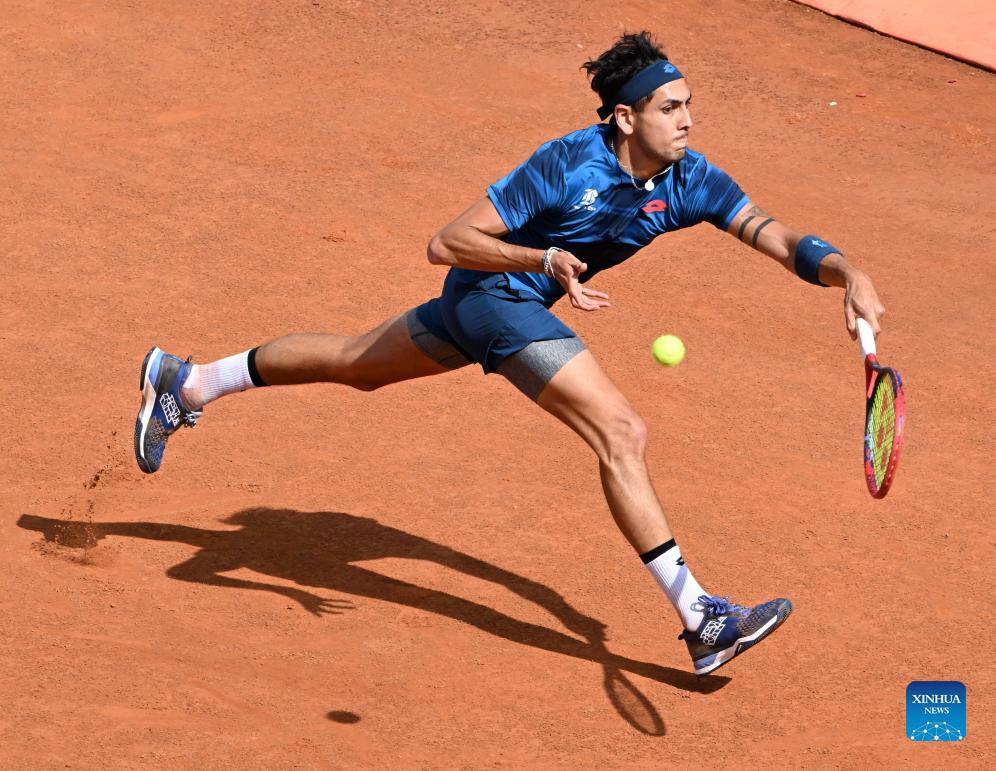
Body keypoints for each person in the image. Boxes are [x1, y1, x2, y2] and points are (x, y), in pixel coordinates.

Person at [134, 31, 885, 676]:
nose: (687, 120)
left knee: (357, 364)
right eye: (670, 108)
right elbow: (446, 242)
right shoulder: (567, 163)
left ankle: (189, 382)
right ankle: (701, 619)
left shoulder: (692, 181)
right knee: (620, 430)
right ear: (626, 117)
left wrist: (847, 272)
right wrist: (541, 259)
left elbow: (779, 237)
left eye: (688, 104)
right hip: (493, 294)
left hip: (499, 306)